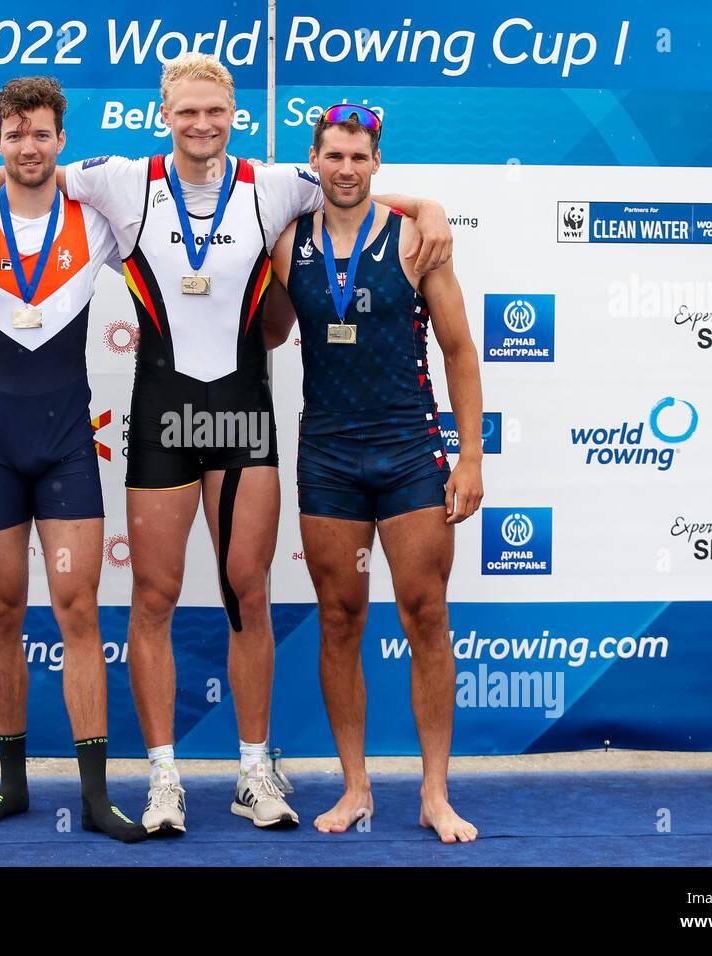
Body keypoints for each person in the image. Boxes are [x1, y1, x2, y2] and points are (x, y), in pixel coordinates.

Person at [0, 54, 455, 834]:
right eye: (187, 112)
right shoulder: (120, 180)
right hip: (162, 420)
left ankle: (254, 772)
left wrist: (433, 206)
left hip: (245, 418)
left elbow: (359, 191)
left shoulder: (276, 185)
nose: (202, 125)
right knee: (154, 600)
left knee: (249, 594)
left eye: (215, 111)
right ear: (164, 113)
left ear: (234, 113)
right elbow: (25, 162)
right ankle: (163, 779)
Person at [0, 76, 145, 843]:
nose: (29, 147)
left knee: (79, 611)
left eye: (41, 133)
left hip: (66, 443)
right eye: (15, 135)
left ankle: (97, 797)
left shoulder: (97, 220)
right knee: (1, 610)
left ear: (61, 139)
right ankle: (11, 786)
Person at [265, 104, 483, 843]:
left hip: (407, 451)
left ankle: (434, 792)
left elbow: (458, 352)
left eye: (359, 156)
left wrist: (472, 458)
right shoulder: (289, 239)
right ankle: (355, 787)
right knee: (339, 620)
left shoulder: (419, 240)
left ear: (376, 161)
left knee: (426, 616)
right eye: (334, 156)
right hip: (327, 455)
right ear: (315, 161)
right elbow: (268, 331)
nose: (346, 169)